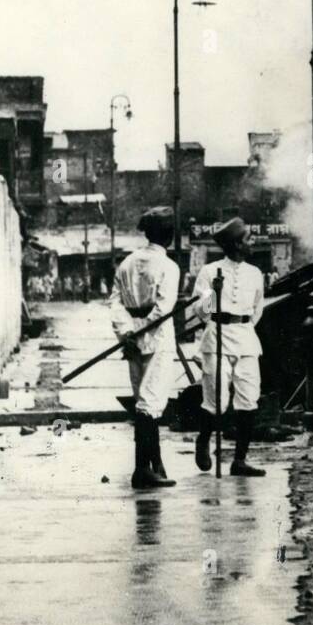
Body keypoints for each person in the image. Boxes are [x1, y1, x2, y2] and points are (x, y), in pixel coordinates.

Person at [109, 207, 180, 489]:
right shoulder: (169, 267)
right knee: (149, 404)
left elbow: (115, 303)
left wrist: (126, 332)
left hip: (133, 343)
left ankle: (155, 463)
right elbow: (163, 309)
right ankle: (141, 468)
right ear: (169, 235)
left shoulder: (126, 263)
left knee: (144, 402)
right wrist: (138, 332)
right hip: (157, 340)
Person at [193, 217, 265, 478]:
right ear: (236, 244)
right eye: (247, 239)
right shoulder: (210, 272)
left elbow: (258, 308)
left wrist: (242, 324)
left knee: (248, 399)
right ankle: (204, 440)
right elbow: (201, 310)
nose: (252, 242)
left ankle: (240, 460)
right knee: (216, 400)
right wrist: (214, 294)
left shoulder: (255, 273)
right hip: (217, 338)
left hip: (246, 339)